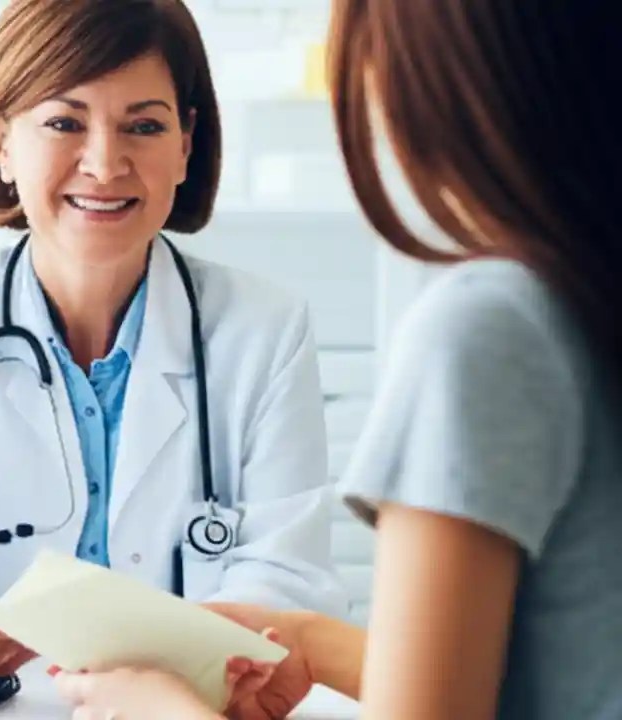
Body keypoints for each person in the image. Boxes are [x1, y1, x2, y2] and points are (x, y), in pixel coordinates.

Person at [54, 0, 622, 718]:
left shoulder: (488, 331)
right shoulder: (582, 295)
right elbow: (570, 654)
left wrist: (158, 709)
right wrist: (316, 645)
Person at [0, 0, 347, 686]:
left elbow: (288, 586)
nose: (105, 163)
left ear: (184, 145)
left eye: (143, 126)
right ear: (2, 143)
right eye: (64, 122)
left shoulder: (264, 330)